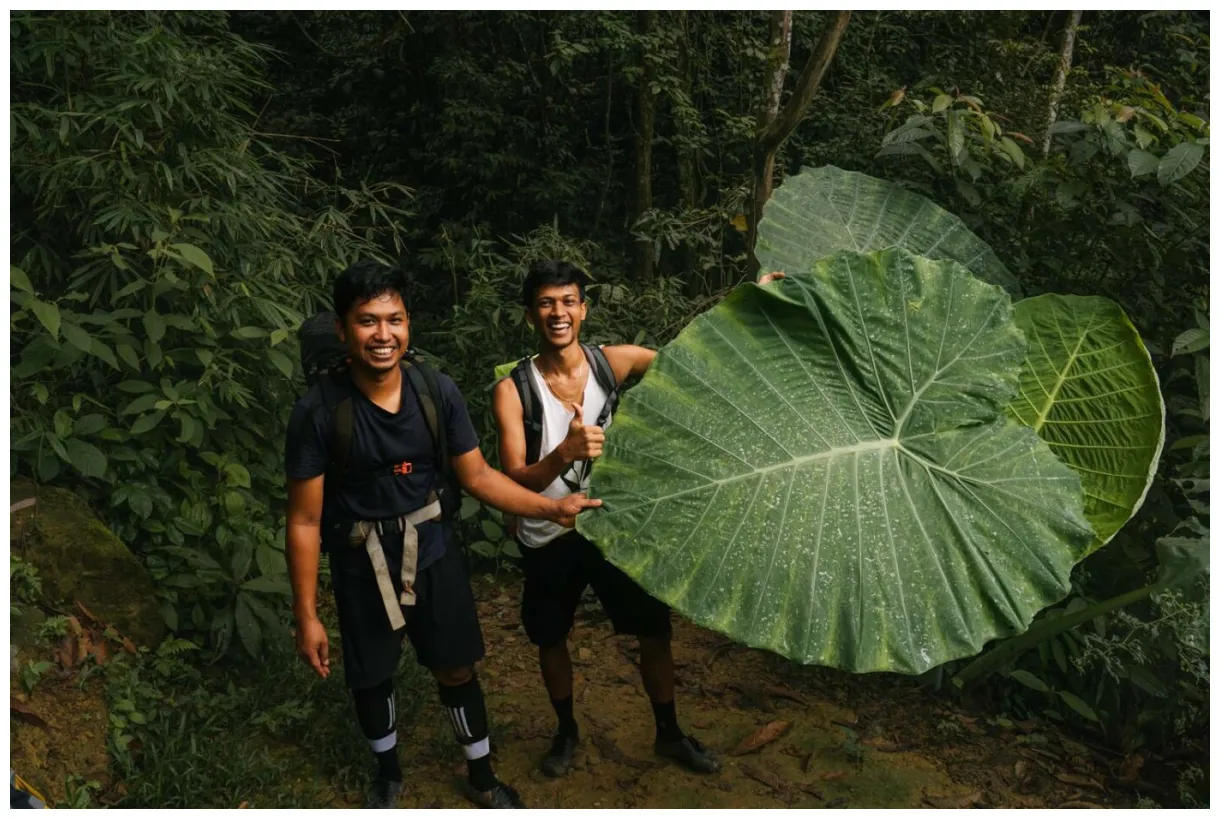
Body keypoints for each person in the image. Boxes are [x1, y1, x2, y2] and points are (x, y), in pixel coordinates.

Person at [285, 260, 600, 809]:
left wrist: (551, 510)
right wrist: (308, 614)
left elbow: (476, 475)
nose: (383, 335)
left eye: (394, 320)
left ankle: (480, 776)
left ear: (409, 325)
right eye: (367, 321)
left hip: (432, 551)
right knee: (372, 676)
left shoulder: (435, 390)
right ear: (342, 330)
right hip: (362, 560)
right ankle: (388, 774)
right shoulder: (319, 411)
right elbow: (305, 520)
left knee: (456, 666)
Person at [492, 261, 782, 778]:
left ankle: (669, 733)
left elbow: (695, 364)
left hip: (613, 527)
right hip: (548, 531)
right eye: (545, 303)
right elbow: (515, 481)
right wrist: (564, 453)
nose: (558, 313)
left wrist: (752, 303)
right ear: (530, 314)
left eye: (568, 302)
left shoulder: (613, 362)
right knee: (550, 635)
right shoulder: (514, 390)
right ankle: (565, 732)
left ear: (583, 309)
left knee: (652, 629)